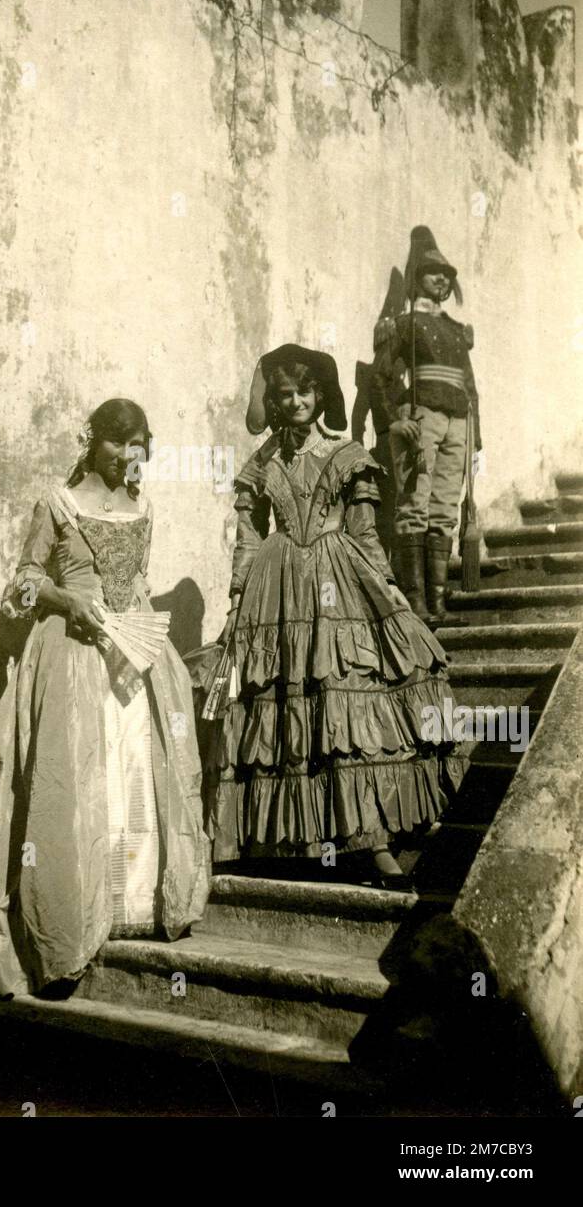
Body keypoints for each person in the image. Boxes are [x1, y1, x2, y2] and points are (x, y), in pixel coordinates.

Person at [0, 399, 210, 997]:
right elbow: (25, 579)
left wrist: (137, 617)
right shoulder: (57, 503)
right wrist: (68, 602)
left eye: (137, 444)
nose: (126, 456)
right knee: (75, 776)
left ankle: (135, 903)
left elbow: (138, 577)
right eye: (116, 444)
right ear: (92, 443)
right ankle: (70, 923)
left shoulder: (144, 506)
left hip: (137, 655)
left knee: (141, 769)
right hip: (70, 650)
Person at [201, 345, 468, 887]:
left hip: (337, 576)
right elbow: (249, 539)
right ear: (275, 402)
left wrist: (389, 590)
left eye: (305, 392)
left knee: (346, 698)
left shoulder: (347, 454)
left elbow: (365, 532)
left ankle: (372, 843)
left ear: (320, 396)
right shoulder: (262, 463)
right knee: (282, 703)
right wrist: (235, 600)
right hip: (273, 588)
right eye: (285, 395)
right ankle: (282, 839)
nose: (296, 401)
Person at [371, 226, 482, 622]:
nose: (442, 279)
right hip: (422, 419)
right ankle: (415, 601)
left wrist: (476, 435)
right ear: (417, 275)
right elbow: (382, 375)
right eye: (434, 272)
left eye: (447, 274)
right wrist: (394, 420)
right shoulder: (403, 325)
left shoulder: (456, 330)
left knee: (444, 509)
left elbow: (469, 384)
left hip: (458, 421)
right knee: (415, 505)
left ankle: (438, 602)